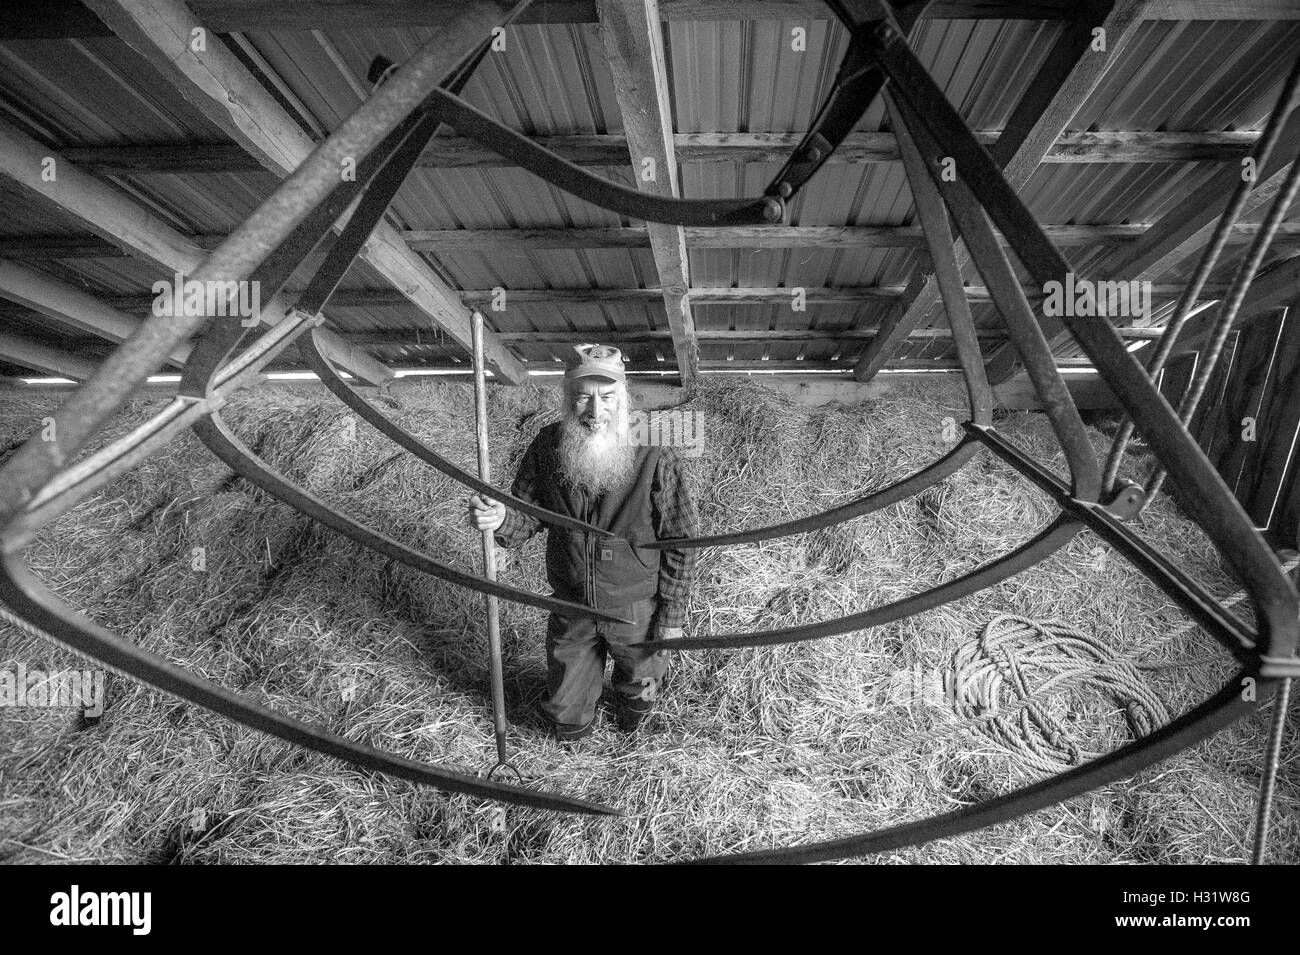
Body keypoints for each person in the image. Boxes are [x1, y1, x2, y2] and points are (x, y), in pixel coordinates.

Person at [466, 344, 698, 741]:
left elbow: (681, 539)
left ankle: (632, 726)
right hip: (570, 599)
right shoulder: (548, 446)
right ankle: (575, 733)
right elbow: (527, 515)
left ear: (623, 400)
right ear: (566, 398)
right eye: (582, 397)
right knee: (565, 711)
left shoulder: (654, 452)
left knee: (641, 686)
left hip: (635, 602)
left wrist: (672, 617)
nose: (594, 411)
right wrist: (501, 518)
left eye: (607, 398)